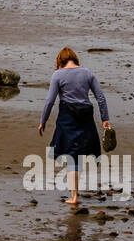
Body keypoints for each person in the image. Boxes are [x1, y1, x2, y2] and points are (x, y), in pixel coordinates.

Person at [38, 47, 112, 206]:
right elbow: (100, 97)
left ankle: (74, 196)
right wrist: (105, 118)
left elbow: (49, 101)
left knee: (72, 155)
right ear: (75, 59)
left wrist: (43, 120)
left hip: (67, 116)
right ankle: (75, 194)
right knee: (80, 152)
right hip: (86, 115)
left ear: (60, 60)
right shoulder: (87, 73)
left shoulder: (57, 75)